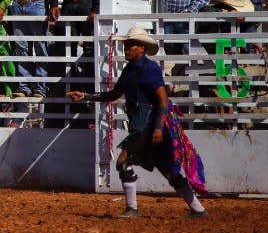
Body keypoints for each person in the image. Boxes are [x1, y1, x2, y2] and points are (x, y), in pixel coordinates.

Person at [67, 27, 208, 218]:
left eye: (131, 45)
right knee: (168, 170)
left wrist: (158, 128)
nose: (126, 48)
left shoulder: (148, 69)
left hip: (149, 126)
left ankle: (132, 209)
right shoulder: (130, 70)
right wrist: (85, 96)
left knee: (124, 162)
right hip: (147, 126)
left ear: (141, 48)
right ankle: (198, 210)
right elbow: (114, 94)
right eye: (126, 45)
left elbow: (163, 101)